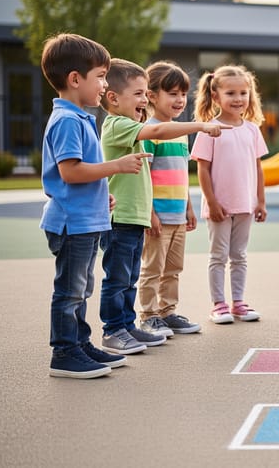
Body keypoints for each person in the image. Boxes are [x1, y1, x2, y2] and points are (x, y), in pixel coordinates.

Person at [39, 34, 150, 378]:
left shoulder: (81, 118)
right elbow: (70, 172)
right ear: (75, 79)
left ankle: (80, 343)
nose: (104, 84)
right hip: (72, 222)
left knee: (82, 289)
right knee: (70, 291)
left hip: (87, 219)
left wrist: (102, 194)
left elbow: (82, 174)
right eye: (100, 76)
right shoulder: (68, 121)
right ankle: (64, 352)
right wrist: (116, 166)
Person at [99, 59, 226, 355]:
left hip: (160, 214)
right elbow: (156, 136)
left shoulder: (167, 132)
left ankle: (150, 317)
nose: (143, 100)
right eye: (139, 94)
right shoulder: (126, 127)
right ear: (113, 98)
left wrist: (188, 207)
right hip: (130, 216)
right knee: (131, 275)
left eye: (144, 94)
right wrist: (202, 126)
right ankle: (130, 323)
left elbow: (179, 175)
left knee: (147, 273)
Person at [191, 65, 269, 324]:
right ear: (216, 96)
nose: (238, 99)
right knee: (218, 256)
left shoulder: (252, 130)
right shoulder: (210, 129)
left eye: (243, 93)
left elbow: (258, 168)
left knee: (239, 256)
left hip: (246, 205)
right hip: (219, 207)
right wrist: (212, 202)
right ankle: (219, 305)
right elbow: (203, 169)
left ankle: (238, 302)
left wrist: (260, 201)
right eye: (231, 93)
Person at [135, 61, 202, 337]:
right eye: (172, 93)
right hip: (158, 216)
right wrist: (150, 213)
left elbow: (182, 174)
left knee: (173, 268)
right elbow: (144, 177)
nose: (180, 100)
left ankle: (167, 312)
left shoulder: (179, 133)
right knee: (153, 268)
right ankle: (149, 316)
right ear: (151, 96)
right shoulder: (149, 132)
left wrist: (189, 207)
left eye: (183, 94)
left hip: (177, 215)